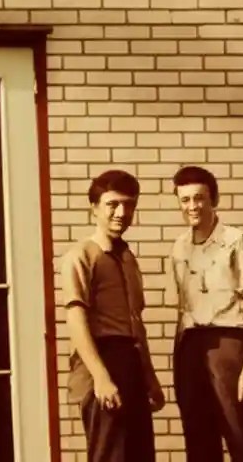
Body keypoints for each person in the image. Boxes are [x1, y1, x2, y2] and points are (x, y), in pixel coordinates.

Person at [167, 165, 243, 462]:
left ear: (214, 199)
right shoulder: (179, 247)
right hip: (190, 347)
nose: (192, 206)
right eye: (185, 200)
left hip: (229, 345)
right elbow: (182, 310)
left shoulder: (239, 242)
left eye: (199, 198)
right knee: (198, 438)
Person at [61, 170, 165, 462]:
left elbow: (136, 325)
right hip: (101, 362)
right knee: (111, 456)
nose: (122, 213)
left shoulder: (128, 259)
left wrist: (150, 378)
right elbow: (76, 322)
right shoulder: (81, 256)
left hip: (130, 364)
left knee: (140, 455)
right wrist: (101, 379)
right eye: (113, 204)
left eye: (129, 205)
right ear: (94, 207)